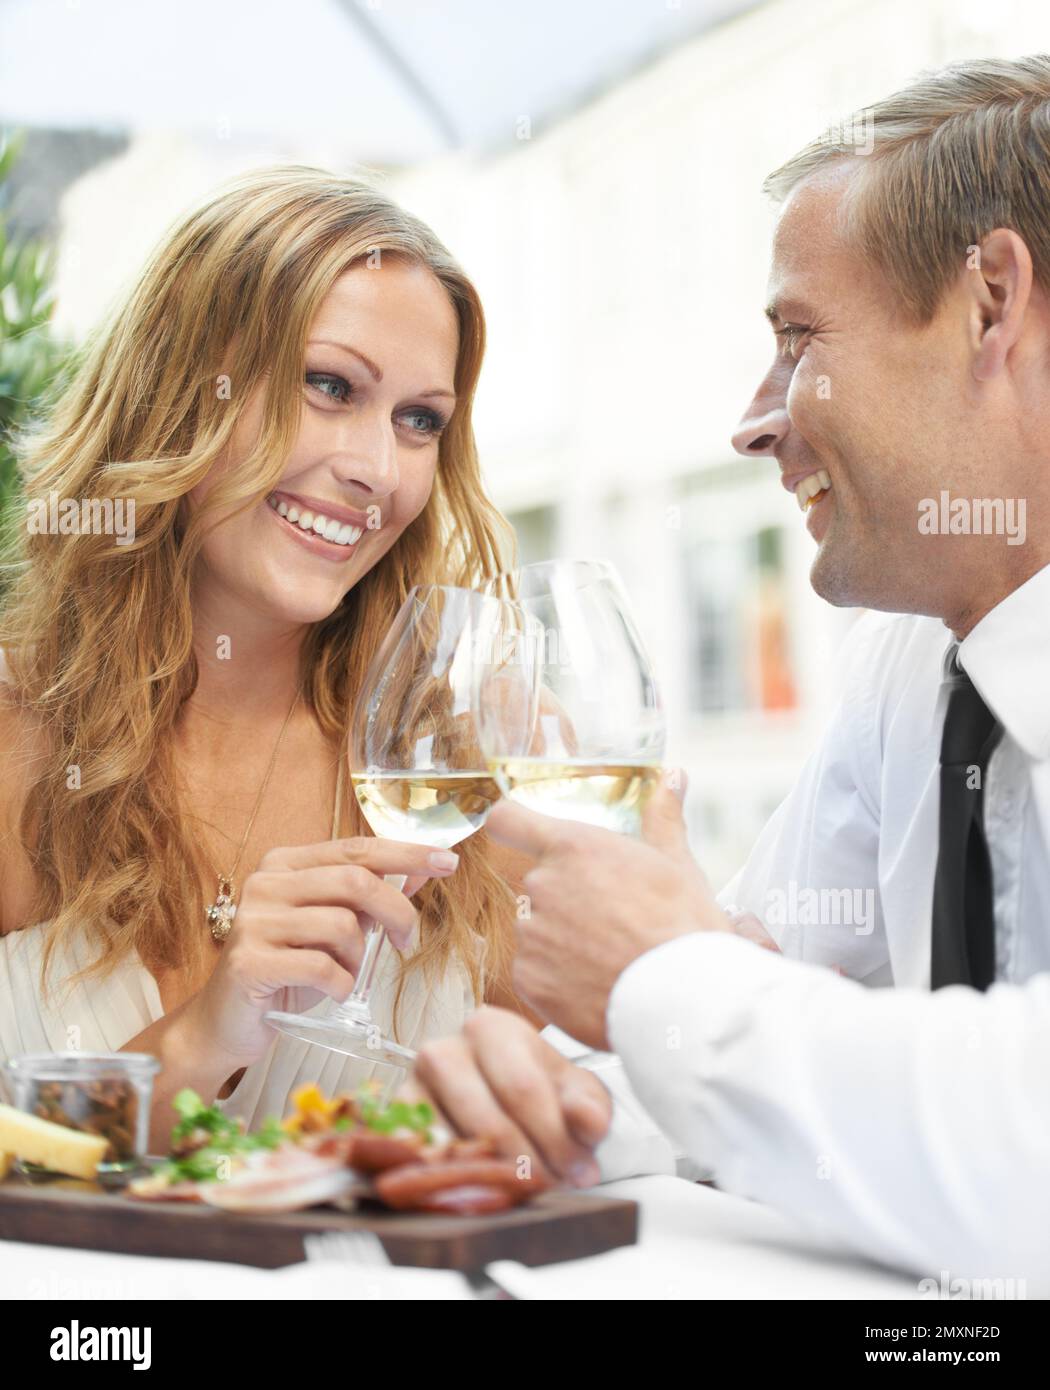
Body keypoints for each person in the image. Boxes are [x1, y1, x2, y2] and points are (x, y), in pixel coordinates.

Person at [405, 56, 1050, 1288]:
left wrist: (660, 974)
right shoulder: (909, 669)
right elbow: (782, 1009)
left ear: (991, 303)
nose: (754, 422)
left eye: (798, 337)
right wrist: (563, 1096)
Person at [0, 166, 540, 1151]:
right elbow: (18, 1154)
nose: (377, 469)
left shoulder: (466, 759)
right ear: (179, 387)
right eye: (328, 386)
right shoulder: (16, 737)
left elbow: (574, 1114)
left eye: (420, 420)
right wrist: (202, 1038)